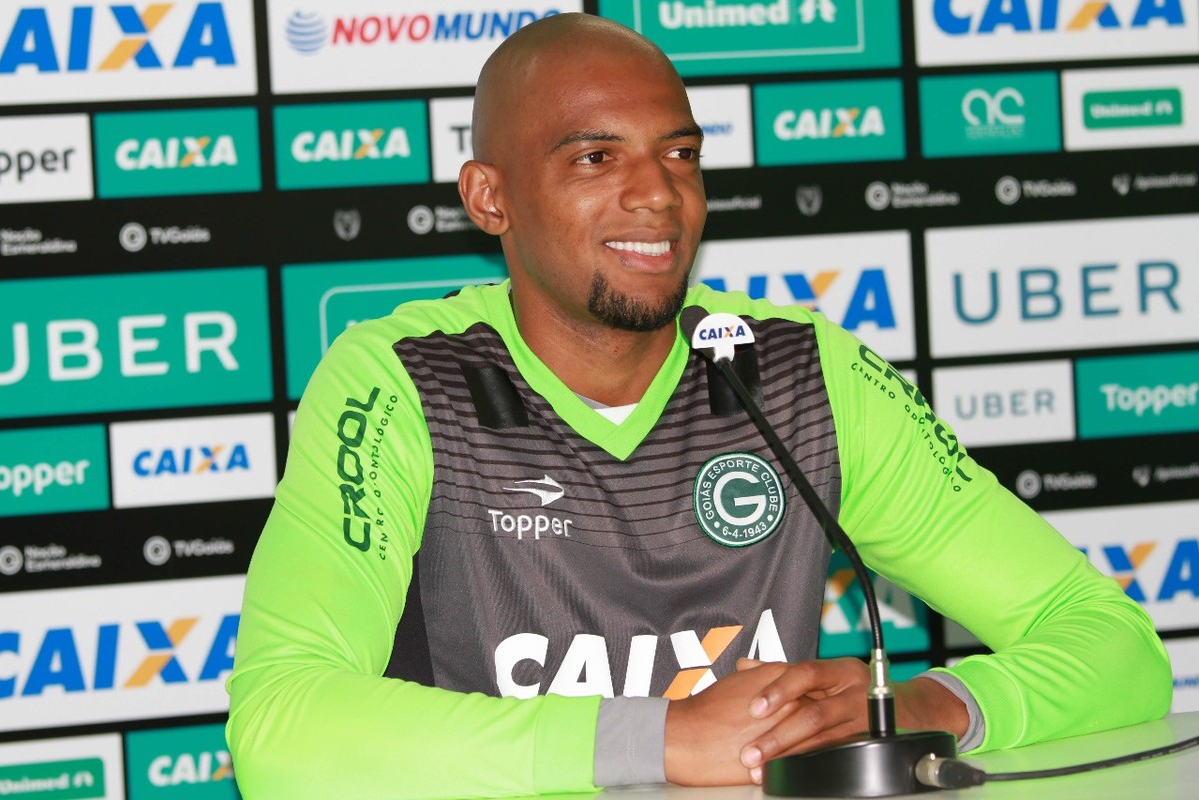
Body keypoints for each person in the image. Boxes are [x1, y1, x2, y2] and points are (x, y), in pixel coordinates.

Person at [226, 12, 1171, 799]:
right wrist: (655, 738)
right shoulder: (402, 381)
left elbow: (1116, 649)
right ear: (490, 198)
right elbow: (281, 731)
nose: (657, 195)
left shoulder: (800, 371)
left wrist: (921, 706)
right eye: (596, 158)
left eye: (679, 153)